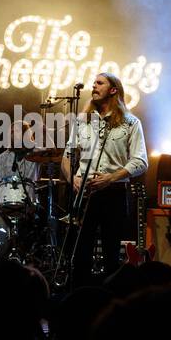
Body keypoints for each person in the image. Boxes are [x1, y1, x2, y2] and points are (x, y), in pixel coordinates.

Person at [59, 73, 148, 287]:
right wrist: (73, 179)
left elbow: (141, 161)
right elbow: (67, 156)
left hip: (114, 193)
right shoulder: (83, 121)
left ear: (113, 90)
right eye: (94, 83)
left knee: (111, 253)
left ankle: (109, 304)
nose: (94, 86)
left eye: (100, 83)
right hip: (85, 193)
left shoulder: (130, 123)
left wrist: (111, 178)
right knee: (80, 251)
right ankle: (79, 298)